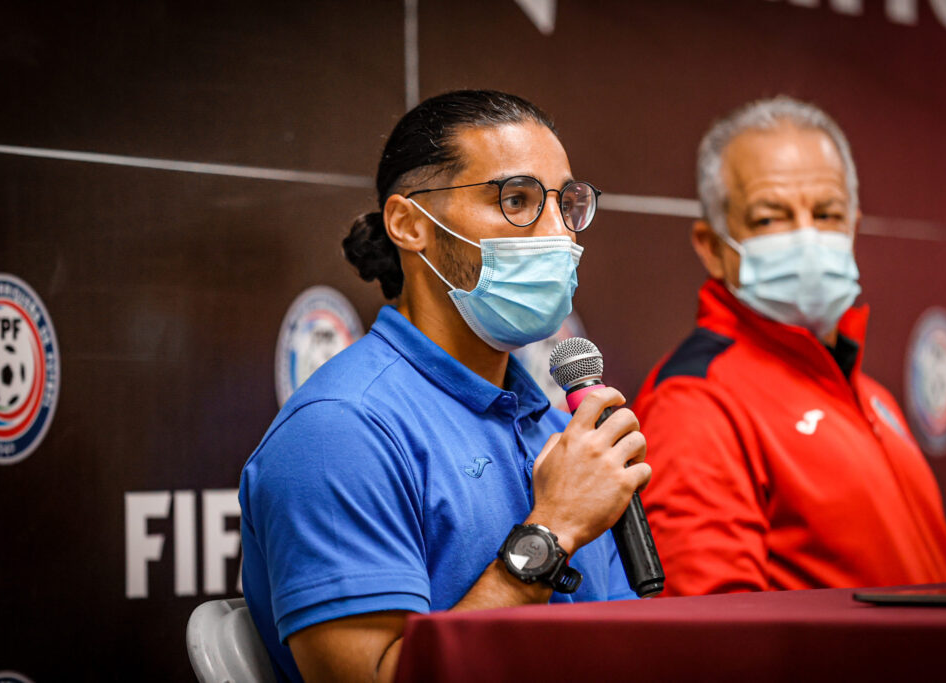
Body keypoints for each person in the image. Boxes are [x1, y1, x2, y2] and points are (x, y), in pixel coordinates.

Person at [239, 90, 649, 682]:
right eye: (517, 200)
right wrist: (552, 530)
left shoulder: (559, 433)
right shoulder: (341, 431)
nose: (560, 234)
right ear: (410, 224)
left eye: (567, 205)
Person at [633, 96, 946, 596]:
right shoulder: (695, 403)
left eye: (827, 213)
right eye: (771, 218)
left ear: (853, 228)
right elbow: (711, 638)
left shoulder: (868, 393)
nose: (807, 236)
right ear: (712, 246)